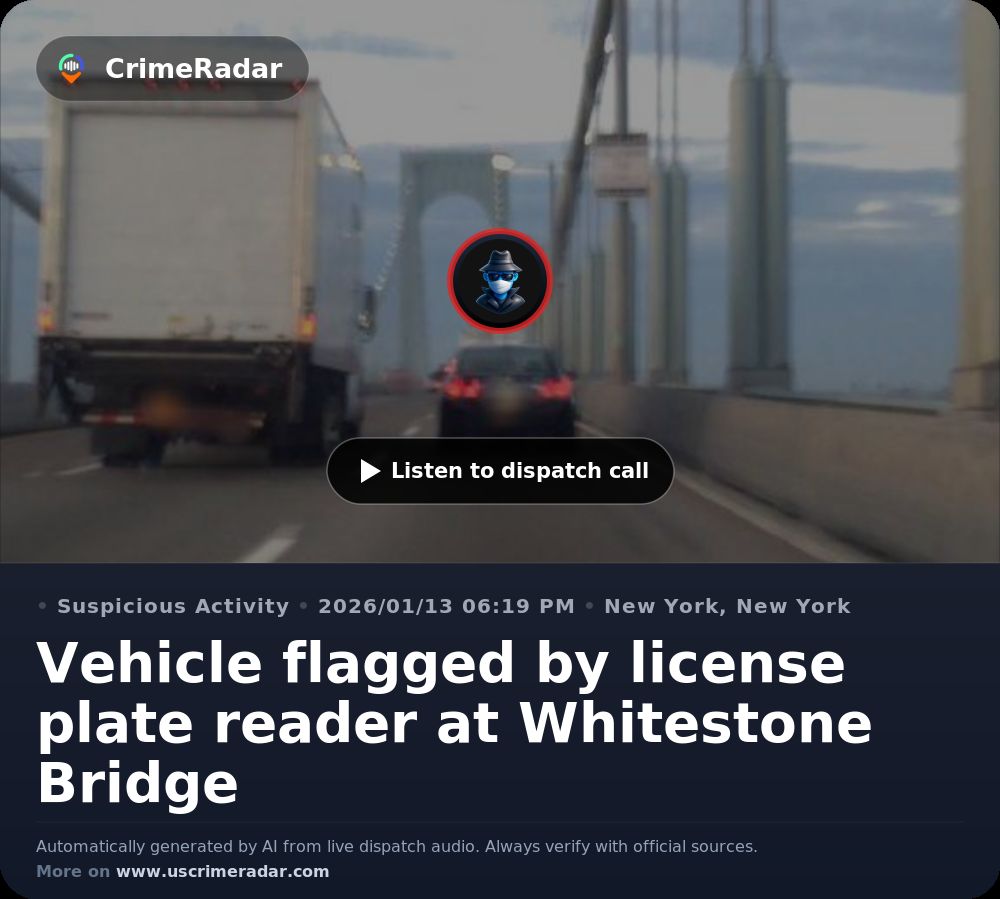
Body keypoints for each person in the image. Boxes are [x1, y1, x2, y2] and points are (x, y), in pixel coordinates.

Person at [476, 249, 526, 314]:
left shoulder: (519, 301)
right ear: (486, 277)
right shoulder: (481, 301)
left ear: (515, 277)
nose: (500, 280)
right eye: (494, 276)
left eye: (506, 276)